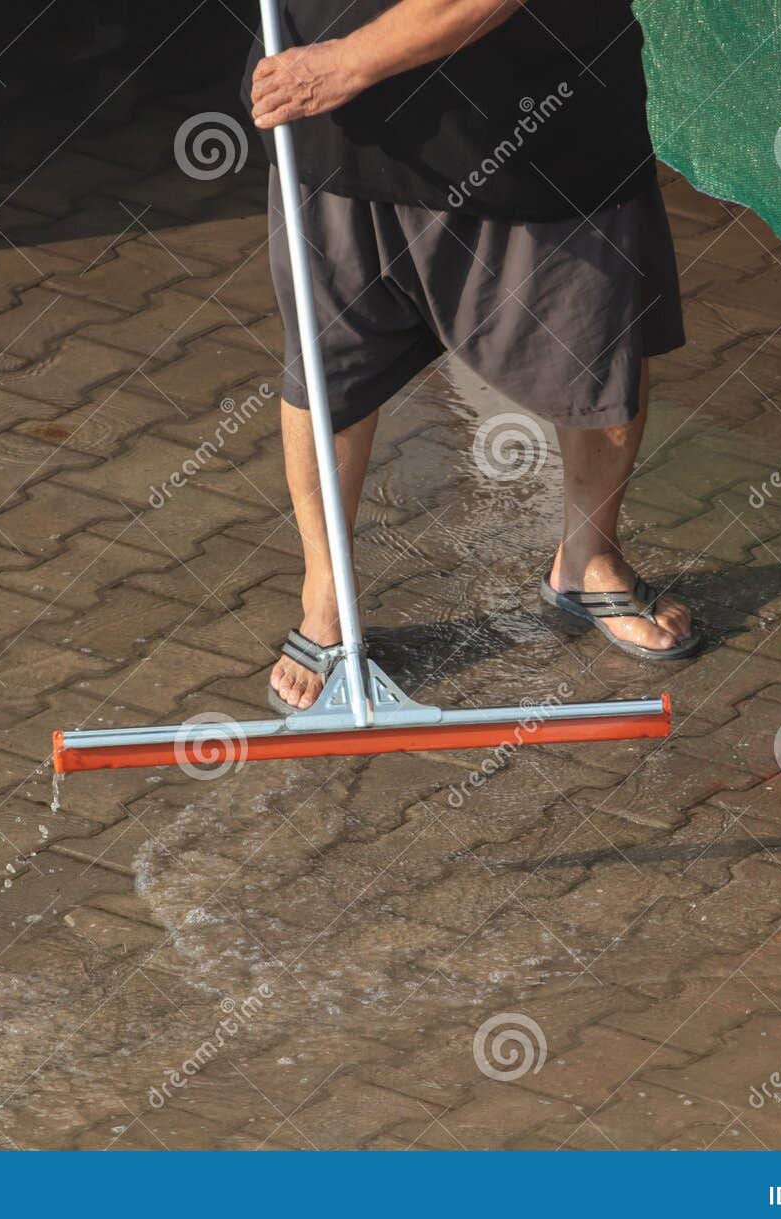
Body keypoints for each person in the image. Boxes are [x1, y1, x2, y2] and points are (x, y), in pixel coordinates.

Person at [247, 0, 700, 713]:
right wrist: (328, 69)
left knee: (593, 348)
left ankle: (589, 557)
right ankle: (327, 595)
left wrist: (346, 63)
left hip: (537, 119)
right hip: (335, 121)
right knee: (332, 363)